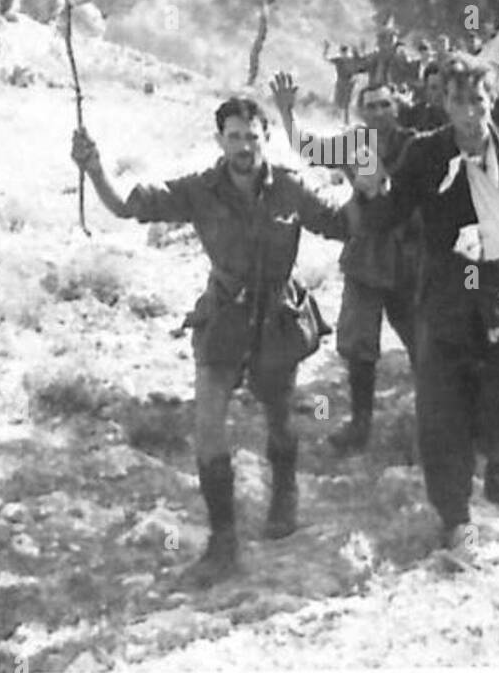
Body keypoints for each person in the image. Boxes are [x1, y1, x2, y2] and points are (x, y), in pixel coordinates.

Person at [70, 97, 355, 587]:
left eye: (253, 137)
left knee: (279, 414)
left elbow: (343, 222)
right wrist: (94, 169)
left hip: (276, 319)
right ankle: (224, 544)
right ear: (220, 140)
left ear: (266, 138)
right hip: (223, 316)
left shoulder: (289, 188)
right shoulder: (199, 190)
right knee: (207, 426)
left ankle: (283, 494)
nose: (244, 146)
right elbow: (125, 206)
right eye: (235, 137)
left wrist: (366, 176)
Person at [351, 55, 499, 565]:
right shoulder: (425, 155)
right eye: (458, 101)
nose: (469, 113)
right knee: (441, 416)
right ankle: (456, 521)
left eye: (478, 100)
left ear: (492, 102)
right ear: (444, 104)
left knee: (493, 410)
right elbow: (389, 214)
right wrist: (368, 190)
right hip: (444, 300)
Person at [270, 73, 419, 455]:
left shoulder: (415, 145)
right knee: (358, 346)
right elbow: (308, 148)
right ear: (359, 112)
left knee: (425, 341)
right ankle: (361, 424)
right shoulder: (354, 144)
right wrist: (287, 112)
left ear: (396, 107)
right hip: (367, 253)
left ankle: (436, 419)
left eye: (385, 104)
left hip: (410, 255)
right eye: (370, 106)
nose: (379, 112)